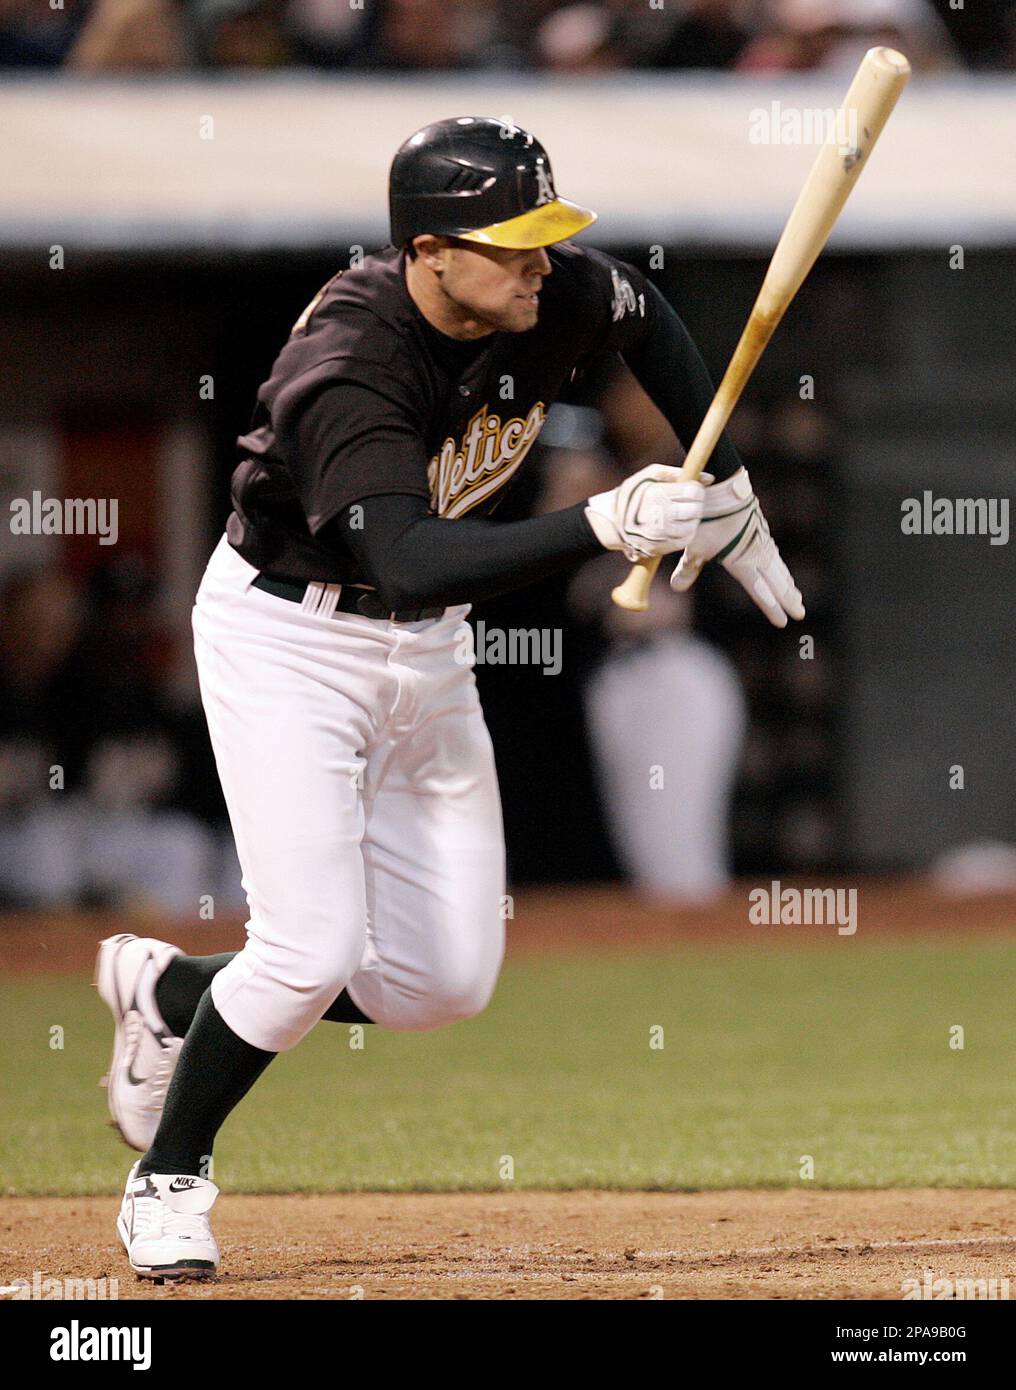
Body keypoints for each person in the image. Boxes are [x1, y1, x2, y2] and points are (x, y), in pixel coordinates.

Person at [97, 115, 804, 1280]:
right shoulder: (348, 361)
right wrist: (602, 522)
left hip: (425, 649)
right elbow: (407, 558)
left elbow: (643, 311)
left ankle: (174, 989)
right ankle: (168, 1178)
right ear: (426, 251)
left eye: (542, 238)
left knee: (441, 981)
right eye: (511, 242)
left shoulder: (543, 292)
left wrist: (722, 487)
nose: (540, 262)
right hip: (289, 635)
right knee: (310, 942)